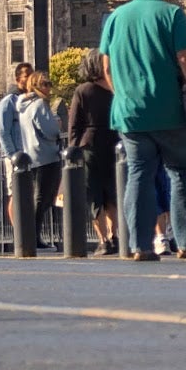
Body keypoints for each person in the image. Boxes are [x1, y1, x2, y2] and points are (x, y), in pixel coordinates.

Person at [99, 0, 186, 262]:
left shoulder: (116, 18)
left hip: (130, 113)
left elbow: (106, 66)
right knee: (183, 172)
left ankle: (141, 246)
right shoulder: (172, 14)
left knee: (138, 175)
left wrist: (122, 94)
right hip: (170, 111)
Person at [67, 50, 120, 257]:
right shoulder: (115, 90)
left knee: (93, 195)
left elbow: (74, 124)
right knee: (111, 193)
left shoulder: (82, 91)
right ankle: (114, 236)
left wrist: (72, 150)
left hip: (88, 146)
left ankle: (103, 239)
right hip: (113, 142)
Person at [16, 71, 63, 249]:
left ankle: (32, 234)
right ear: (36, 85)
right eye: (45, 84)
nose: (49, 88)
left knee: (37, 196)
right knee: (43, 198)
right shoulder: (40, 105)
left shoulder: (24, 105)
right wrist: (57, 125)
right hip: (46, 156)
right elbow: (50, 131)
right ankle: (33, 235)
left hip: (31, 155)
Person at [0, 62, 34, 226]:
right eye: (27, 76)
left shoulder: (32, 100)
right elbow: (2, 131)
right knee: (16, 193)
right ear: (18, 79)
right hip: (16, 156)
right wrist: (12, 156)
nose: (31, 79)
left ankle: (31, 232)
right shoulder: (8, 102)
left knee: (29, 194)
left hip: (31, 155)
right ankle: (20, 232)